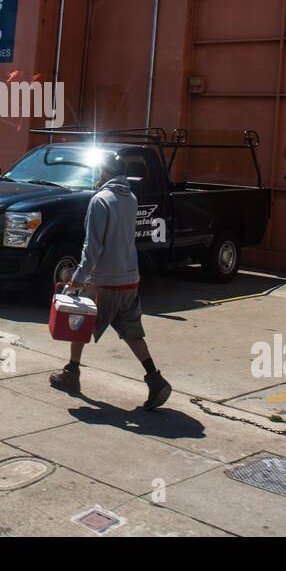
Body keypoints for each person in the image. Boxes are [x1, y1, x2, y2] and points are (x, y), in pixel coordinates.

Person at [49, 152, 172, 410]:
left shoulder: (100, 200)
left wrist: (79, 278)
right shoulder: (131, 198)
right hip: (129, 279)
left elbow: (92, 245)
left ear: (104, 173)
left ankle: (71, 374)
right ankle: (155, 378)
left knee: (78, 321)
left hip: (103, 280)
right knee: (132, 332)